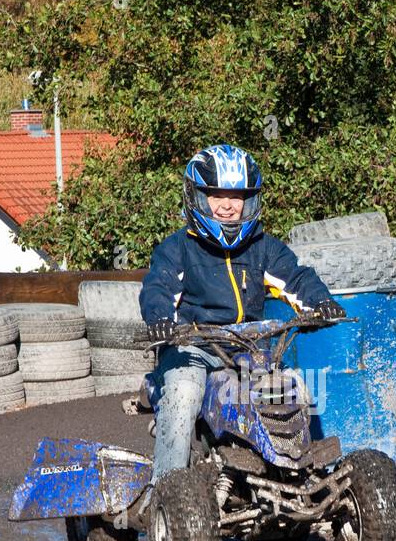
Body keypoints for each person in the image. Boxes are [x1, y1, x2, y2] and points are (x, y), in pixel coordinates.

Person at [137, 143, 345, 500]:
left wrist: (321, 302)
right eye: (217, 195)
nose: (229, 205)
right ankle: (167, 492)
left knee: (293, 387)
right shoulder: (177, 249)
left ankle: (298, 479)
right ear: (197, 197)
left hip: (248, 350)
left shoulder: (262, 247)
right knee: (184, 392)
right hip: (192, 349)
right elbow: (158, 288)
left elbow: (295, 278)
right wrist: (160, 320)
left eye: (238, 196)